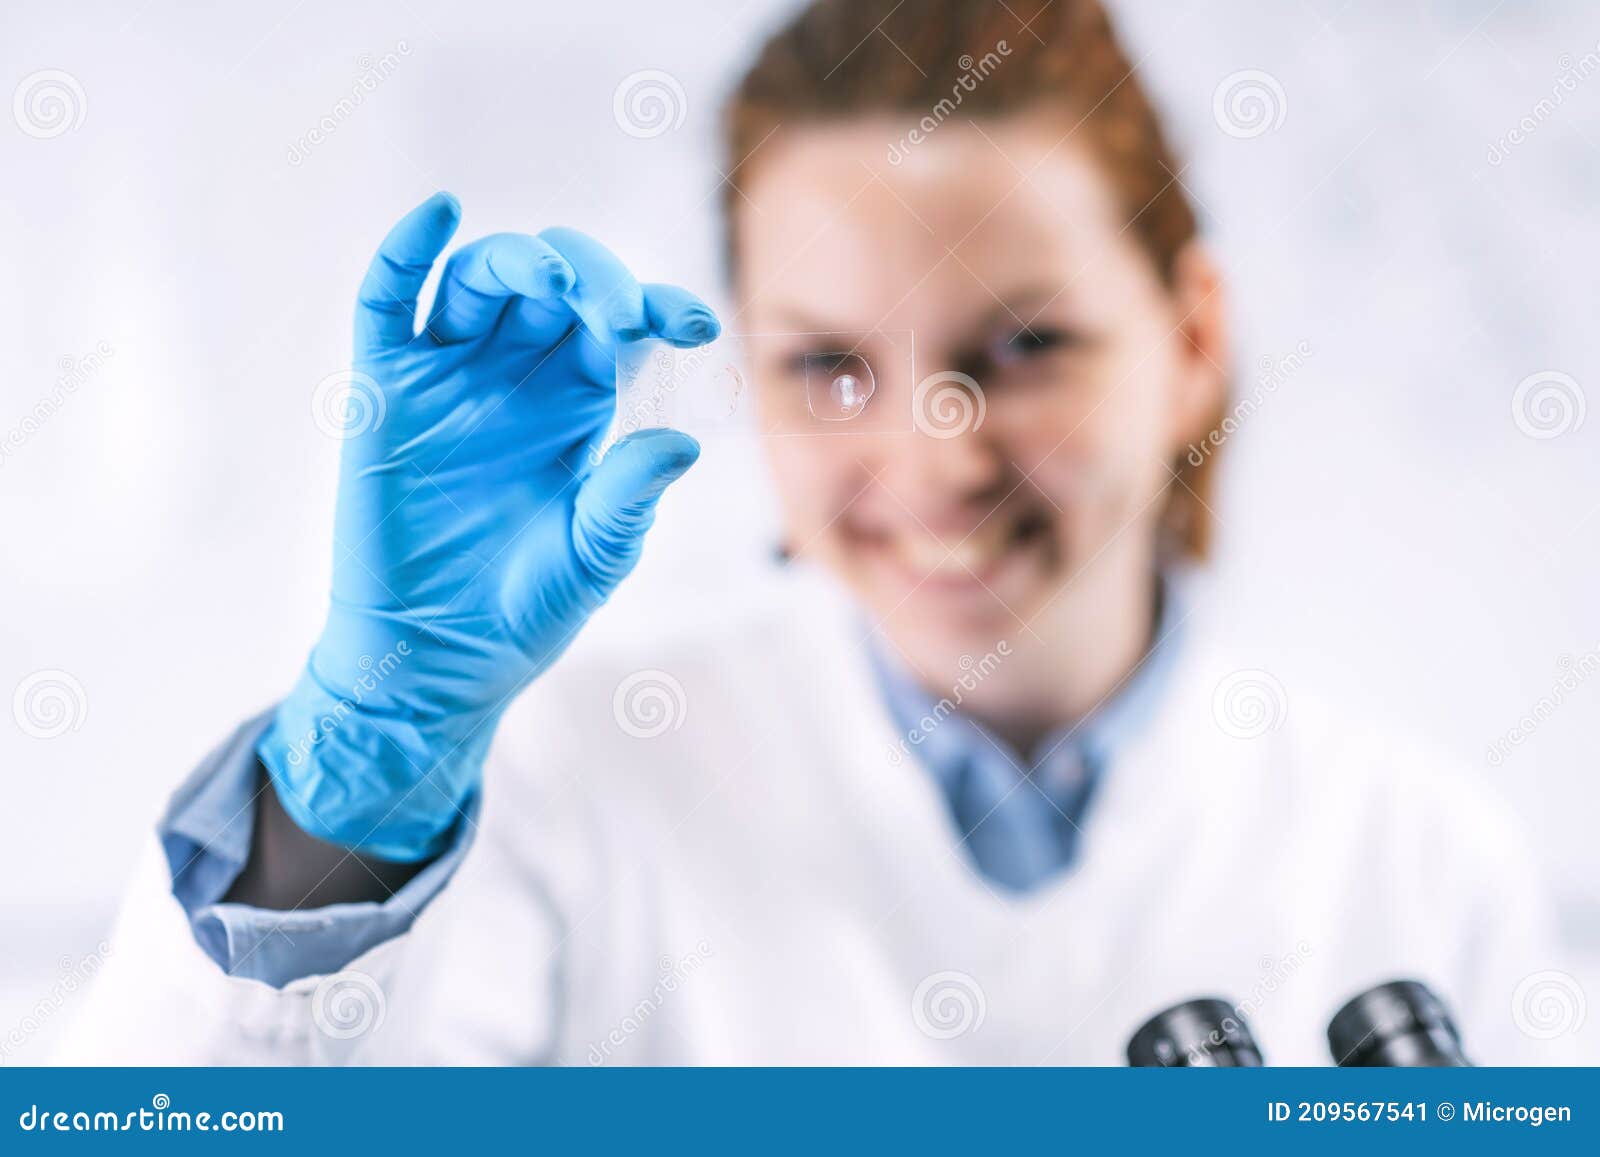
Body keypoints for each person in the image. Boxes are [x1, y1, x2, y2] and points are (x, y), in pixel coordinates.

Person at [61, 0, 1568, 1065]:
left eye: (1025, 345)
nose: (935, 454)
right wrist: (356, 786)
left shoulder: (1412, 854)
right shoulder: (566, 795)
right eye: (830, 365)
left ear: (1190, 340)